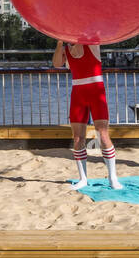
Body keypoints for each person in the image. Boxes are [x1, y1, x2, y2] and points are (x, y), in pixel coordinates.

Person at [52, 40, 123, 190]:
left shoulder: (91, 42)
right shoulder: (66, 48)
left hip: (96, 92)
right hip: (78, 93)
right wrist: (59, 43)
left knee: (102, 135)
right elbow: (56, 64)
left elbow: (89, 26)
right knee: (78, 138)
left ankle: (113, 178)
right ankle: (83, 178)